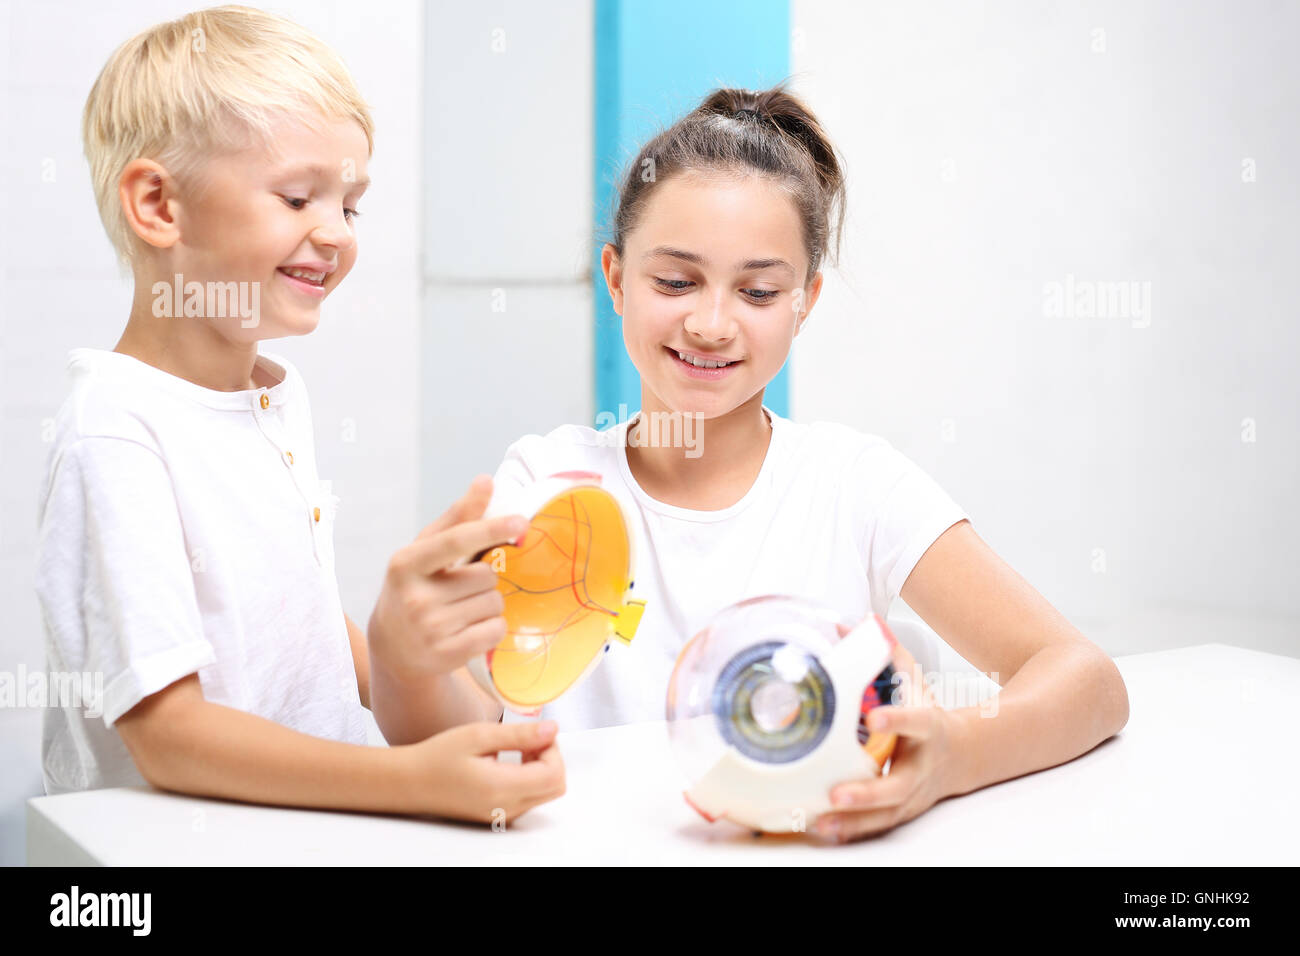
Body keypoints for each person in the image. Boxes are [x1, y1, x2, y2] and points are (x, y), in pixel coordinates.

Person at [491, 84, 1129, 842]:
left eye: (758, 291)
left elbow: (1087, 680)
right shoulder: (545, 481)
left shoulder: (854, 484)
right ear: (617, 277)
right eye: (674, 281)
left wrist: (952, 755)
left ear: (805, 301)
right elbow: (469, 720)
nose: (710, 322)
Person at [34, 5, 562, 825]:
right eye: (297, 197)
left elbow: (305, 617)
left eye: (349, 206)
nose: (337, 235)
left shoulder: (273, 397)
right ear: (159, 207)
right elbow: (168, 735)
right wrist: (417, 784)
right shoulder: (118, 428)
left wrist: (481, 725)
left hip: (285, 829)